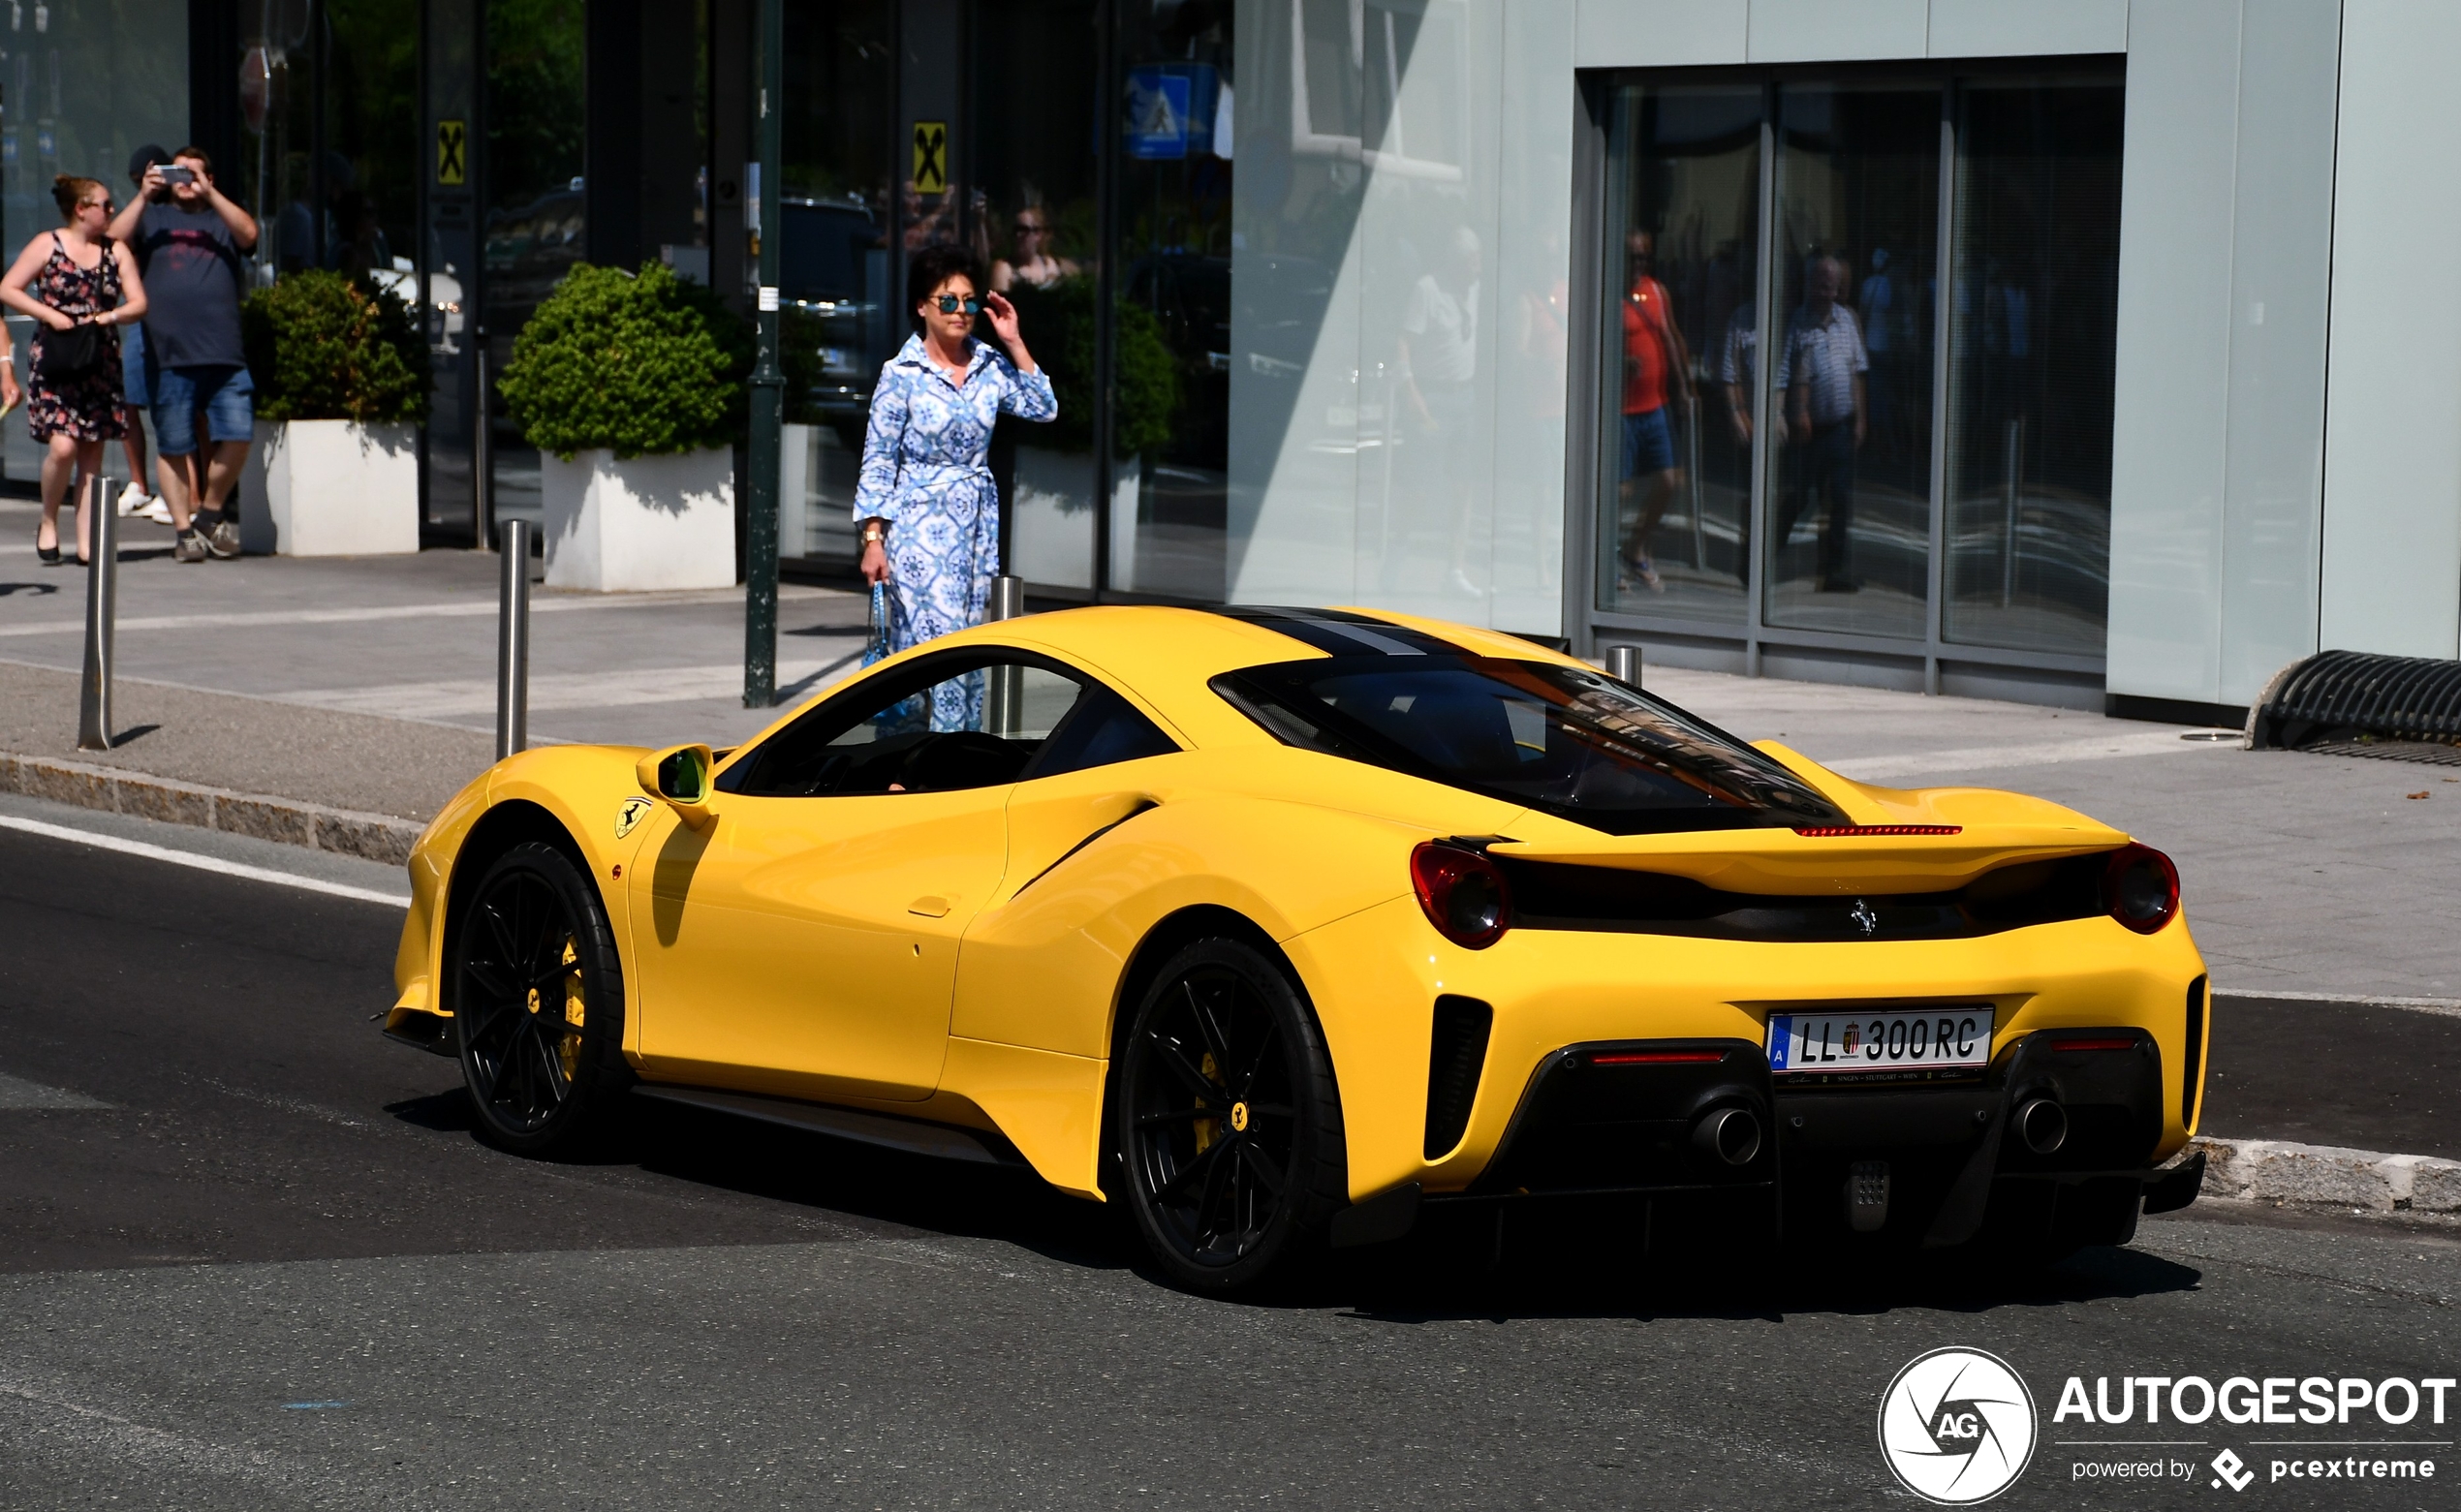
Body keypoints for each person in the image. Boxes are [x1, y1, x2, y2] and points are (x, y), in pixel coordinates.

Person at [855, 246, 1056, 725]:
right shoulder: (900, 374)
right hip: (918, 529)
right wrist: (873, 539)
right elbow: (879, 460)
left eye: (968, 301)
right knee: (935, 645)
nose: (960, 311)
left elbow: (1042, 406)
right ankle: (923, 763)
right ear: (922, 306)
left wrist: (1014, 340)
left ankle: (946, 760)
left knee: (965, 646)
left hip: (974, 532)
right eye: (947, 300)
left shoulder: (988, 364)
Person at [109, 145, 260, 564]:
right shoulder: (153, 218)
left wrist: (210, 194)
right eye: (180, 172)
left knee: (239, 433)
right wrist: (142, 195)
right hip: (170, 354)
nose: (187, 181)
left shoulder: (221, 218)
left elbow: (250, 234)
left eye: (196, 173)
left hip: (224, 353)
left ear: (210, 179)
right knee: (174, 445)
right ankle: (183, 531)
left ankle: (210, 512)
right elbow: (112, 241)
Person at [0, 175, 143, 567]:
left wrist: (106, 316)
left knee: (92, 455)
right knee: (62, 446)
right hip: (57, 356)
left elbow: (139, 302)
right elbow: (8, 288)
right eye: (105, 205)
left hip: (98, 357)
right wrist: (51, 314)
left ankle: (87, 541)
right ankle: (48, 518)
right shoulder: (49, 244)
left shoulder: (115, 251)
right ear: (81, 209)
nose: (111, 211)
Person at [1774, 252, 1868, 594]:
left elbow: (1858, 372)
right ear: (1811, 285)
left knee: (1839, 501)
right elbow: (1782, 373)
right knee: (1798, 497)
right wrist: (1781, 415)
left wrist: (1861, 420)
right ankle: (1767, 555)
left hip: (1840, 428)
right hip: (1808, 431)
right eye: (1821, 285)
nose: (1827, 293)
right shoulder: (1797, 323)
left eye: (1833, 287)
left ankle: (1834, 572)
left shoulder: (1847, 321)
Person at [1398, 226, 1481, 597]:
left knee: (1463, 485)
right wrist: (1410, 389)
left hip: (1465, 398)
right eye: (1471, 262)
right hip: (1433, 399)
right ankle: (1396, 559)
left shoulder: (1473, 289)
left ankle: (1455, 569)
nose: (1477, 270)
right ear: (1456, 261)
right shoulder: (1427, 290)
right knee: (1421, 486)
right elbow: (1403, 341)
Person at [1615, 231, 1693, 595]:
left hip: (1655, 404)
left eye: (1643, 257)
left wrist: (1684, 387)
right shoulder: (1607, 295)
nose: (1637, 264)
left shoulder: (1656, 292)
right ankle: (1605, 559)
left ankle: (1635, 547)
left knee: (1669, 480)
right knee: (1620, 490)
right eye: (1631, 257)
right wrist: (1618, 361)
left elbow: (1671, 338)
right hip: (1622, 410)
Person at [113, 144, 172, 527]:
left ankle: (180, 491)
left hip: (175, 318)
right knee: (126, 400)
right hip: (141, 317)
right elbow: (113, 242)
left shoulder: (185, 208)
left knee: (175, 404)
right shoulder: (141, 211)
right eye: (137, 181)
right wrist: (142, 196)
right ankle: (139, 483)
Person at [988, 193, 1078, 293]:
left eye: (1024, 230)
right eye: (1016, 230)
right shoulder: (1004, 269)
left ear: (1038, 234)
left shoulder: (1057, 266)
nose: (1019, 235)